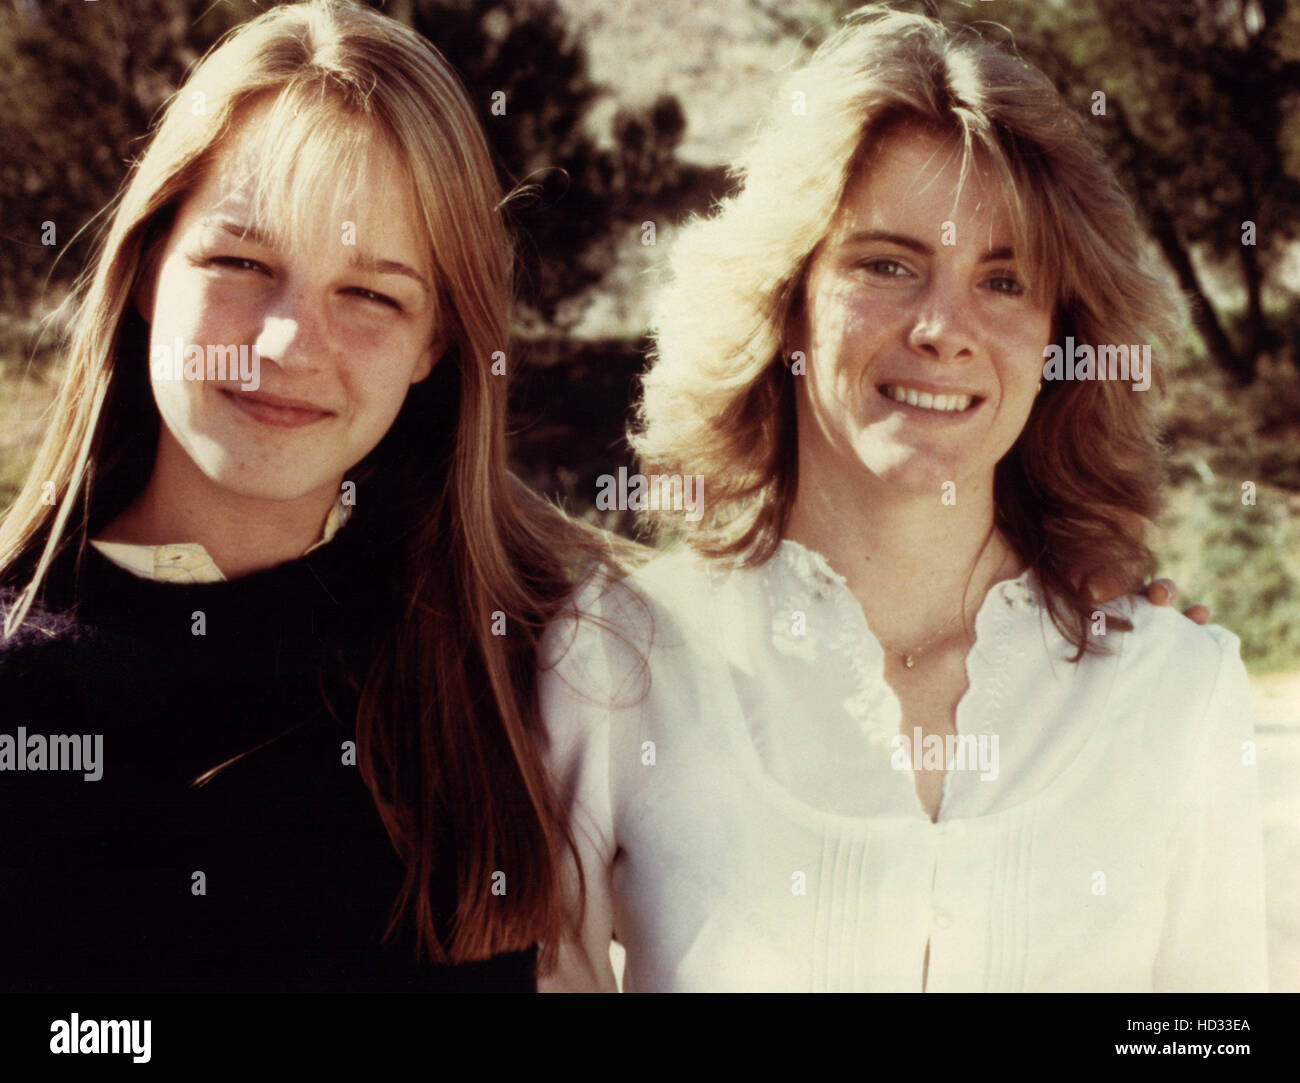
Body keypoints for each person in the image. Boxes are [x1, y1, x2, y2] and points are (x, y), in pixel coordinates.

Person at [538, 8, 1268, 992]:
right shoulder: (615, 661)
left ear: (1060, 338)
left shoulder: (1179, 688)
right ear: (786, 300)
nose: (942, 327)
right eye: (886, 263)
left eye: (1004, 281)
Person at [0, 0, 608, 992]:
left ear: (435, 345)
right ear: (149, 268)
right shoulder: (23, 678)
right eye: (241, 262)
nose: (285, 343)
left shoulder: (547, 661)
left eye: (372, 295)